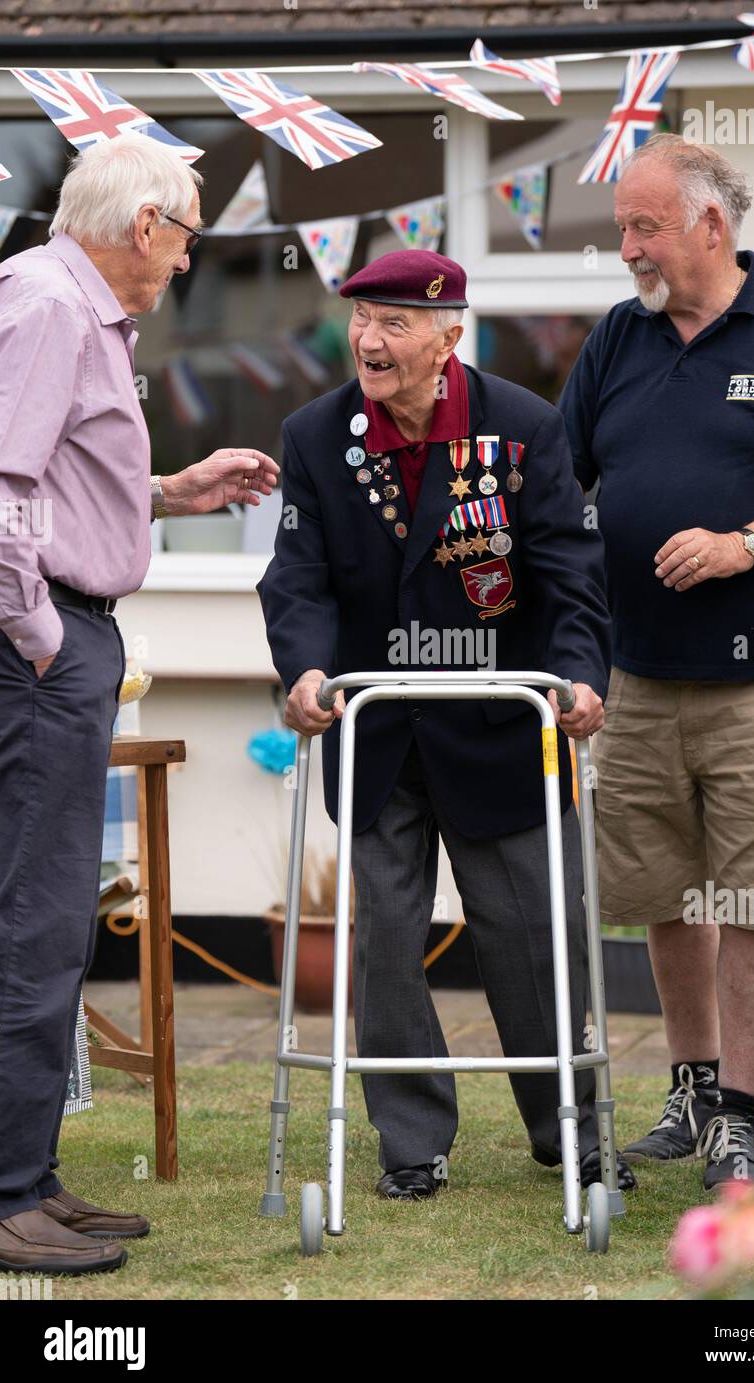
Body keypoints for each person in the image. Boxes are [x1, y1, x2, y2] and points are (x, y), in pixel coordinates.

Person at [259, 248, 637, 1200]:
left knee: (534, 934)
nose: (368, 342)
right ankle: (411, 1144)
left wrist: (581, 677)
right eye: (360, 320)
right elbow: (296, 578)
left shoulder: (522, 428)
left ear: (447, 337)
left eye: (392, 325)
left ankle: (573, 1133)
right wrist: (304, 670)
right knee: (386, 937)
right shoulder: (316, 433)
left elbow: (568, 576)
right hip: (377, 725)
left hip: (500, 725)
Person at [558, 134, 754, 1194]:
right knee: (661, 893)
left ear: (709, 223)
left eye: (642, 228)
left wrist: (742, 542)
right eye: (621, 231)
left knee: (753, 897)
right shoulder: (616, 339)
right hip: (637, 675)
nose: (627, 251)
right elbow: (560, 486)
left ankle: (739, 1118)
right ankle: (689, 1089)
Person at [0, 133, 278, 1275]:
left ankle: (30, 1174)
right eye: (188, 234)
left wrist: (168, 493)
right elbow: (0, 492)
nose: (187, 258)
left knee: (53, 913)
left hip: (58, 640)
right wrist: (44, 637)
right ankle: (6, 1191)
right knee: (35, 914)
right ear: (145, 226)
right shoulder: (49, 307)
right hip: (39, 652)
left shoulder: (68, 306)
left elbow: (57, 483)